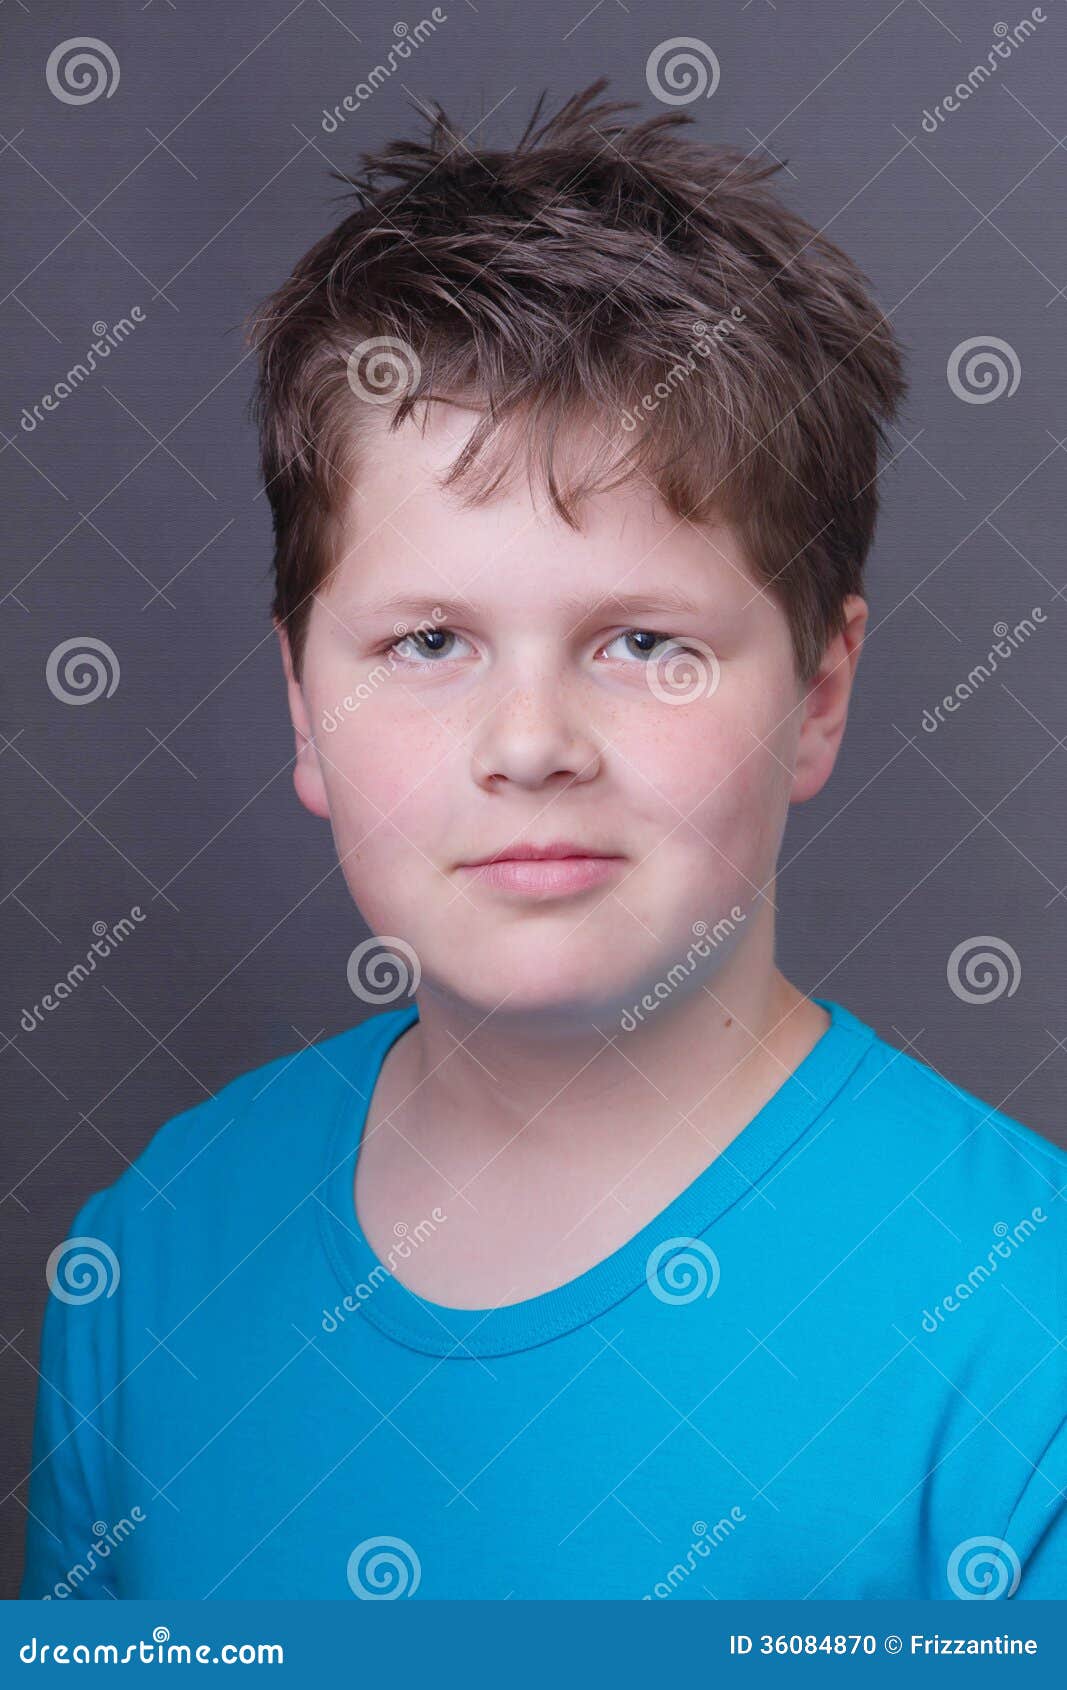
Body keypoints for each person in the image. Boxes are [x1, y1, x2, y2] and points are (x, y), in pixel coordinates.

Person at [20, 81, 1065, 1601]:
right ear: (303, 705)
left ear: (820, 694)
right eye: (430, 640)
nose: (530, 743)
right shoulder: (155, 1253)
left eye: (644, 641)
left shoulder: (1020, 1330)